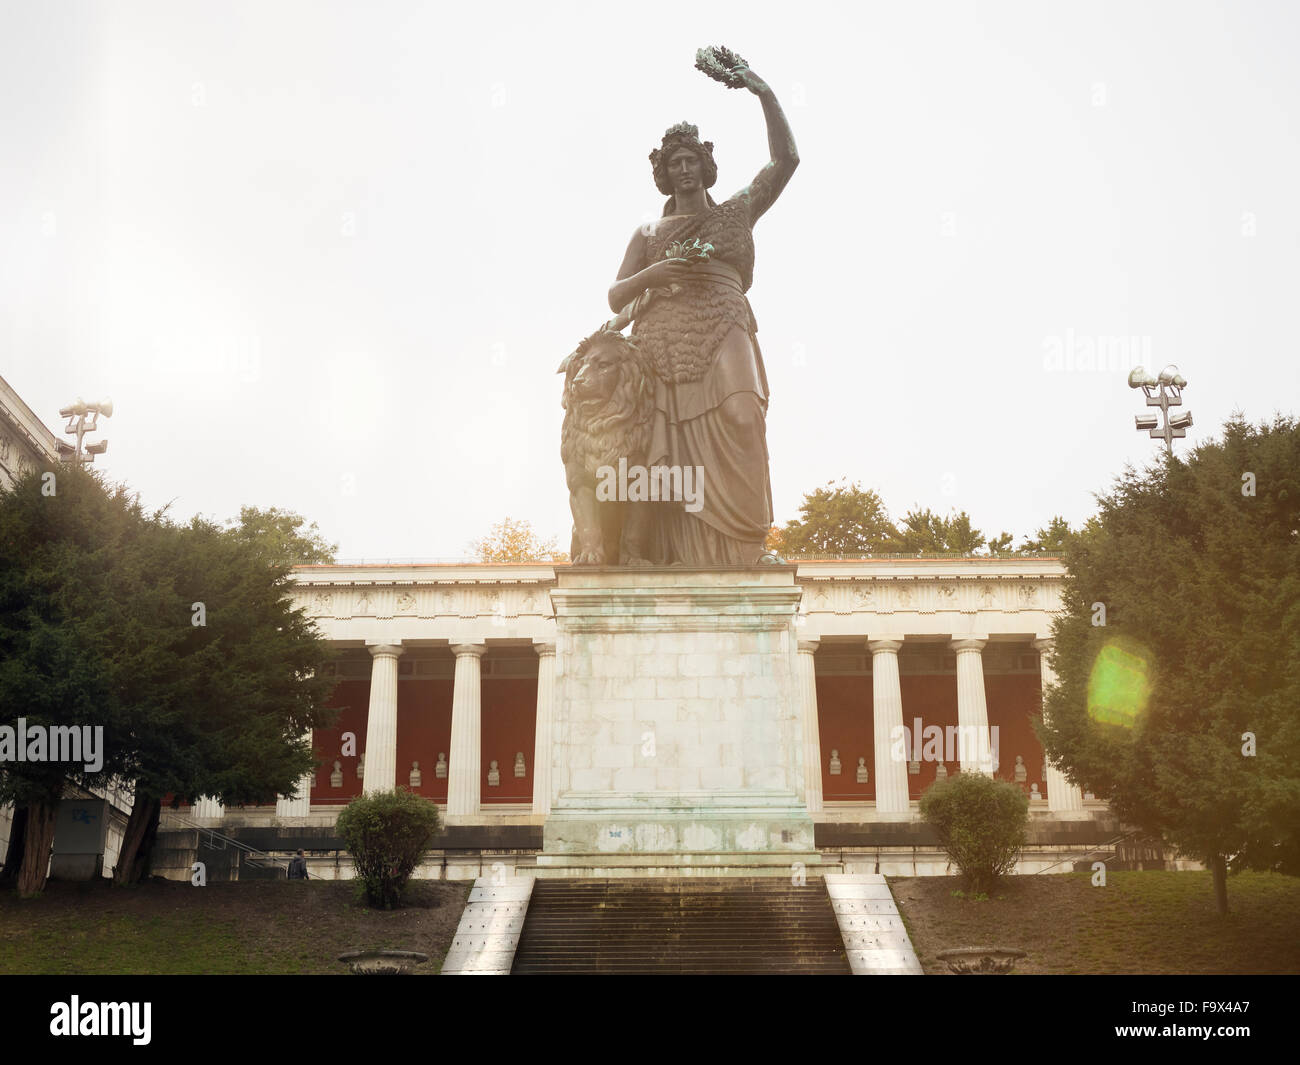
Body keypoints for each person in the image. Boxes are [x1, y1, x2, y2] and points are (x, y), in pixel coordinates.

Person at [607, 57, 798, 565]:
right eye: (675, 163)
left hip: (724, 318)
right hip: (662, 337)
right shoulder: (647, 234)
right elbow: (615, 295)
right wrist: (655, 275)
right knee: (660, 445)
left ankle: (749, 545)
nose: (684, 169)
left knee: (742, 415)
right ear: (663, 174)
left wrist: (761, 90)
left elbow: (786, 161)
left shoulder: (737, 210)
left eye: (691, 159)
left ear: (705, 164)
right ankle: (668, 550)